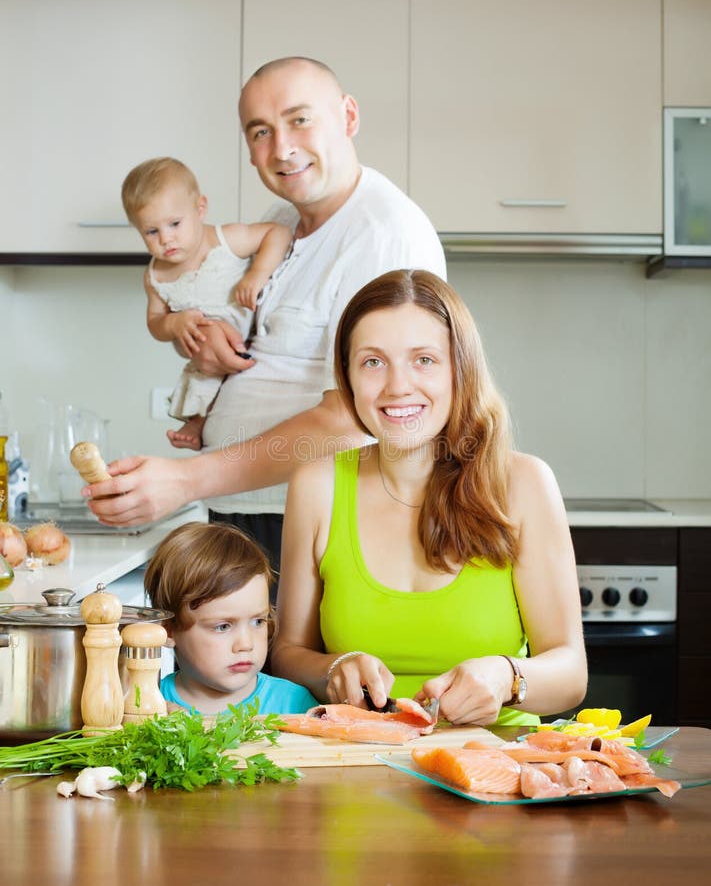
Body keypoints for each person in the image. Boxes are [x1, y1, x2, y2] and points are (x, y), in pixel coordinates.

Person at [84, 57, 446, 578]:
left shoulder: (384, 235)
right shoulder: (280, 224)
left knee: (304, 663)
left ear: (347, 117)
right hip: (250, 513)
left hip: (322, 525)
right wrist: (214, 345)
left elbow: (351, 419)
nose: (281, 148)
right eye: (260, 131)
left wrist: (187, 481)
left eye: (300, 120)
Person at [270, 269, 587, 728]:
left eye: (424, 360)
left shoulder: (525, 484)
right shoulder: (316, 486)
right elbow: (287, 654)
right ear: (348, 377)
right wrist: (332, 667)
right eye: (373, 362)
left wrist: (507, 677)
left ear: (460, 369)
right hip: (355, 765)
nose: (398, 386)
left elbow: (570, 673)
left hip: (493, 770)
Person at [122, 157, 292, 451]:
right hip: (208, 355)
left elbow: (277, 233)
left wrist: (256, 273)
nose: (166, 239)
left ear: (200, 208)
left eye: (175, 224)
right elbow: (155, 322)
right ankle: (198, 423)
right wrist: (173, 323)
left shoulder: (225, 240)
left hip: (255, 342)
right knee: (204, 379)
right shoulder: (155, 276)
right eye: (151, 232)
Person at [143, 520, 316, 715]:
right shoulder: (145, 705)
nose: (246, 644)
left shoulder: (297, 705)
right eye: (223, 627)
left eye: (258, 621)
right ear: (167, 630)